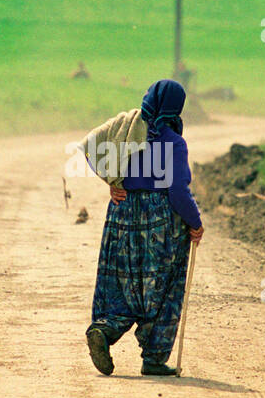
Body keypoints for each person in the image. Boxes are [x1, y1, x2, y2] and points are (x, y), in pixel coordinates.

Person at [86, 79, 204, 377]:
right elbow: (178, 191)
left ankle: (105, 328)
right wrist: (195, 223)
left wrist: (112, 183)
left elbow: (91, 146)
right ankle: (153, 358)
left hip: (122, 214)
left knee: (120, 280)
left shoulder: (125, 132)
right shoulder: (174, 143)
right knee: (161, 288)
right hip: (160, 222)